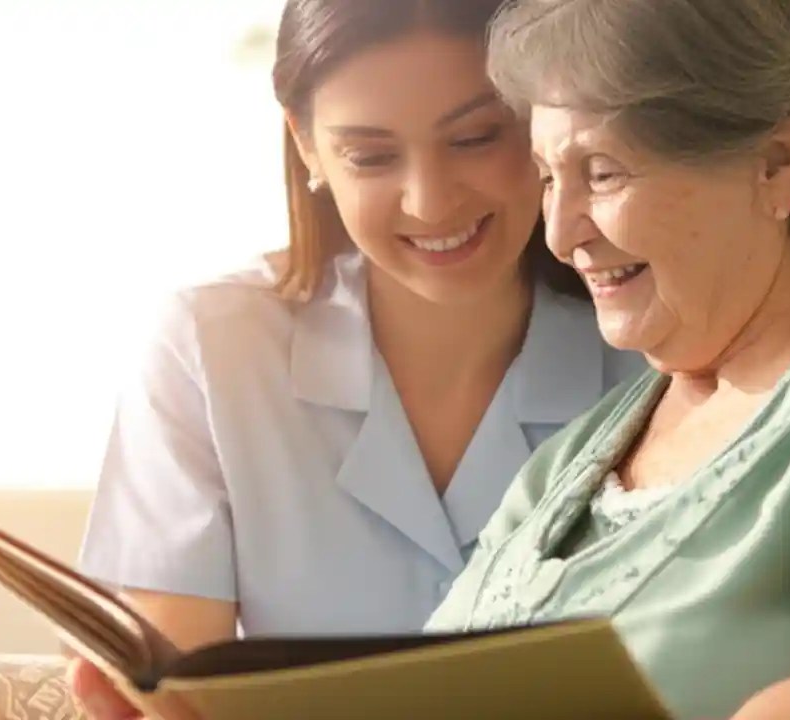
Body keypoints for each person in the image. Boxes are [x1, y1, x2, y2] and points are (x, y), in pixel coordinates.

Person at [67, 0, 642, 716]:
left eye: (474, 137)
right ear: (305, 145)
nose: (431, 203)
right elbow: (177, 674)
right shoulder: (210, 348)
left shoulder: (654, 351)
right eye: (371, 156)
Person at [424, 1, 790, 719]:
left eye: (604, 173)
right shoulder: (574, 464)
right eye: (549, 178)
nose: (559, 235)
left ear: (778, 163)